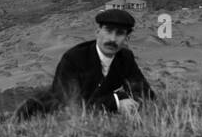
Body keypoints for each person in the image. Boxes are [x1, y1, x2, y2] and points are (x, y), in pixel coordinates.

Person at [15, 8, 155, 119]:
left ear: (127, 38)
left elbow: (146, 94)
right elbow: (69, 105)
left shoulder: (125, 57)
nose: (112, 38)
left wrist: (131, 102)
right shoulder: (73, 58)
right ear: (97, 31)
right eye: (108, 31)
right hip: (40, 119)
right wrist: (117, 101)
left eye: (119, 33)